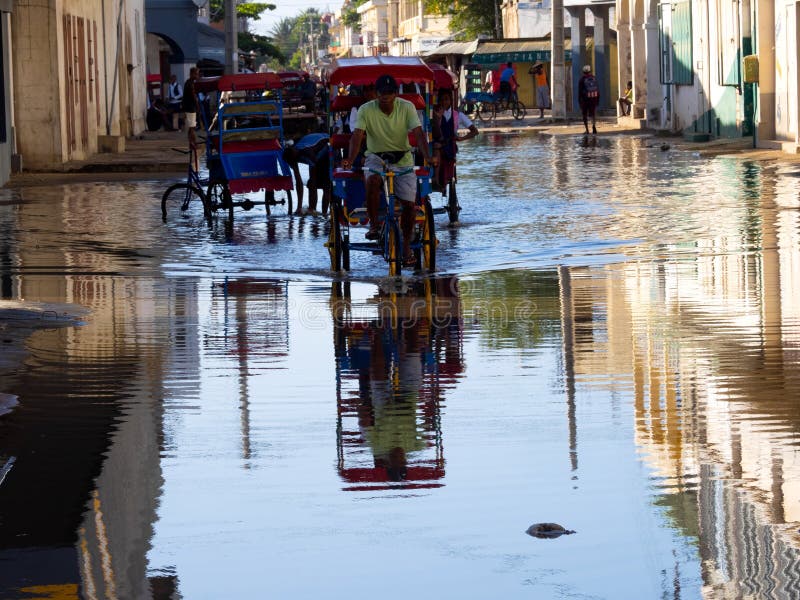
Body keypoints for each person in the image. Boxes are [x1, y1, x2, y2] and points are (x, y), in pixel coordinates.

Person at [341, 74, 438, 267]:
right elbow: (357, 135)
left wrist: (427, 156)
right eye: (381, 93)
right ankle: (374, 225)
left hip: (403, 157)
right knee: (373, 181)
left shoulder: (407, 107)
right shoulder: (365, 110)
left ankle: (407, 246)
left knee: (410, 205)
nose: (385, 96)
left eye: (389, 93)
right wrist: (350, 159)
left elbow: (418, 133)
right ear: (376, 94)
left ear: (395, 94)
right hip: (376, 156)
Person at [431, 89, 478, 192]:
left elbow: (475, 131)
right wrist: (437, 118)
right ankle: (435, 179)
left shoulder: (458, 115)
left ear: (451, 101)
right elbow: (435, 132)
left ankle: (436, 180)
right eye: (442, 100)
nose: (444, 102)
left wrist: (461, 138)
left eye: (446, 99)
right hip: (436, 142)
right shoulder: (433, 113)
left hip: (449, 145)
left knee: (437, 148)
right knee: (436, 146)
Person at [283, 133, 331, 216]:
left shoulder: (307, 153)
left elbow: (313, 180)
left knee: (325, 185)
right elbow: (299, 182)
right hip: (314, 150)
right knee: (312, 185)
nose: (293, 165)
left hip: (328, 146)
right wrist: (299, 207)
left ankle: (324, 214)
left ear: (296, 156)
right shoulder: (291, 155)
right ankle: (313, 211)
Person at [578, 64, 600, 135]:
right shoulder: (594, 78)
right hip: (593, 98)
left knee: (584, 114)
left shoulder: (582, 80)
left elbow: (580, 91)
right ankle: (594, 127)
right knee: (593, 114)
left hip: (585, 99)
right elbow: (597, 89)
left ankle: (587, 130)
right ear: (590, 71)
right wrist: (597, 100)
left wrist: (579, 101)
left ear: (583, 72)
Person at [182, 67, 200, 146]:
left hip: (187, 107)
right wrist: (198, 106)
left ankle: (191, 143)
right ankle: (194, 143)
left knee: (190, 127)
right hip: (191, 108)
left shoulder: (187, 82)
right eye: (196, 74)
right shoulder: (190, 84)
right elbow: (194, 96)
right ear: (192, 74)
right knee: (192, 127)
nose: (197, 76)